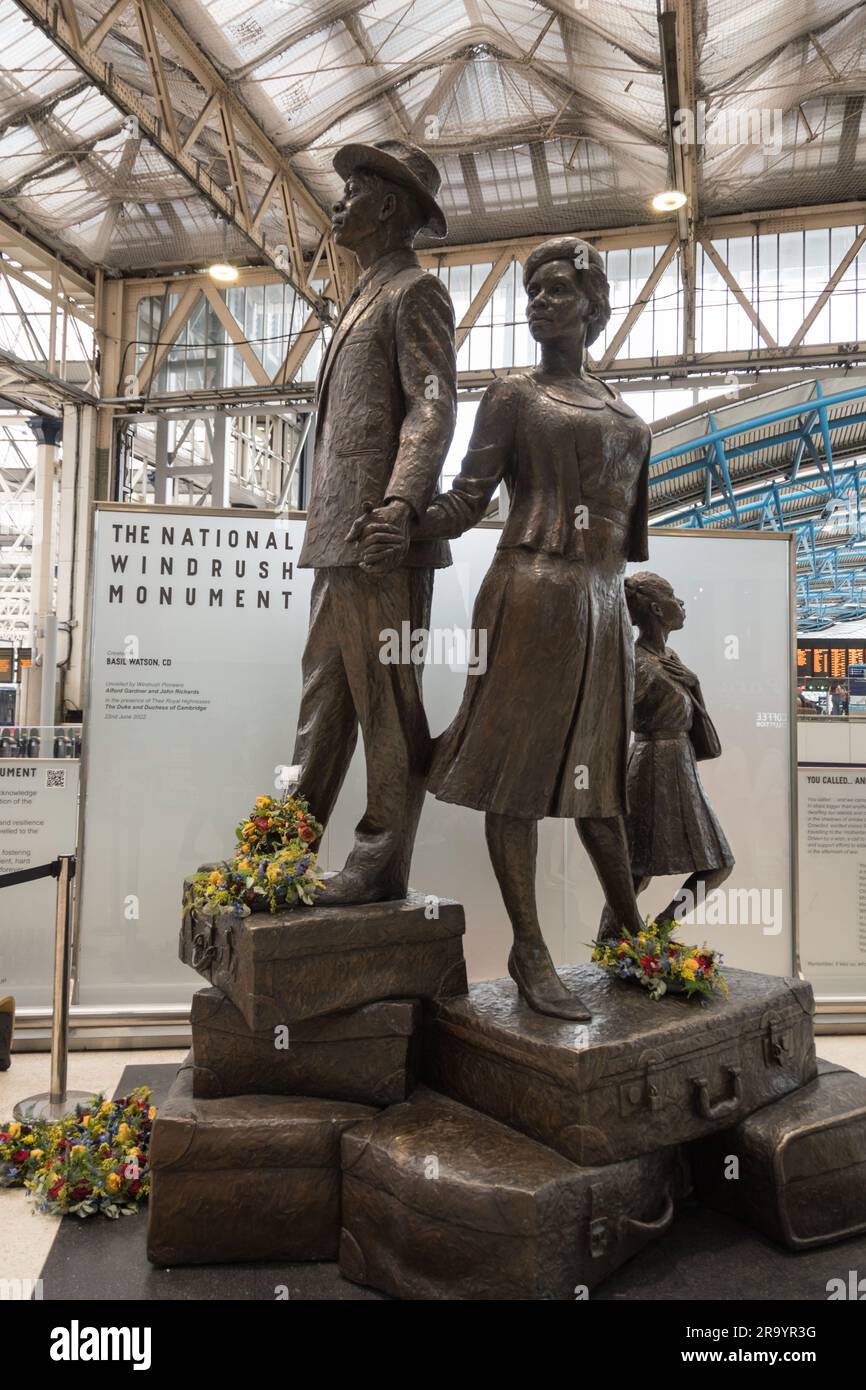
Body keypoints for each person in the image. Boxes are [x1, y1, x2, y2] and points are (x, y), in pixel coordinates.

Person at [360, 235, 652, 1021]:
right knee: (516, 779)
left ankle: (632, 937)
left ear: (592, 306)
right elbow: (468, 497)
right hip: (529, 595)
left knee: (601, 785)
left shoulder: (631, 420)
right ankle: (529, 950)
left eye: (558, 291)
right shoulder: (513, 396)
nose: (541, 304)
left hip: (602, 607)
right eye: (534, 294)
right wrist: (404, 519)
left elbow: (626, 543)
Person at [292, 140, 457, 905]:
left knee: (387, 705)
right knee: (323, 706)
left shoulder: (416, 292)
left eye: (352, 191)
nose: (338, 203)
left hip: (383, 540)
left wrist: (400, 504)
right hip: (340, 539)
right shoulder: (363, 294)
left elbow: (431, 406)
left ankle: (380, 861)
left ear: (389, 205)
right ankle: (282, 849)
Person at [601, 571, 734, 933]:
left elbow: (691, 718)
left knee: (717, 863)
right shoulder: (637, 662)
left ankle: (658, 931)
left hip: (680, 763)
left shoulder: (669, 657)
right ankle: (610, 941)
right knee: (636, 868)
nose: (681, 604)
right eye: (674, 597)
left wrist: (694, 683)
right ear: (658, 609)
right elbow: (613, 720)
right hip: (651, 767)